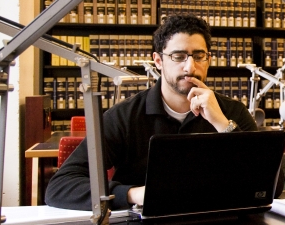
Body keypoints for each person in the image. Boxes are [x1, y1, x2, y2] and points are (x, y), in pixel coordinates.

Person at [45, 14, 258, 210]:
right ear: (158, 61)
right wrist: (132, 194)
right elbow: (61, 186)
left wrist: (222, 124)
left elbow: (269, 184)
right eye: (178, 56)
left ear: (208, 59)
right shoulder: (124, 116)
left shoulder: (232, 112)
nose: (190, 67)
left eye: (199, 56)